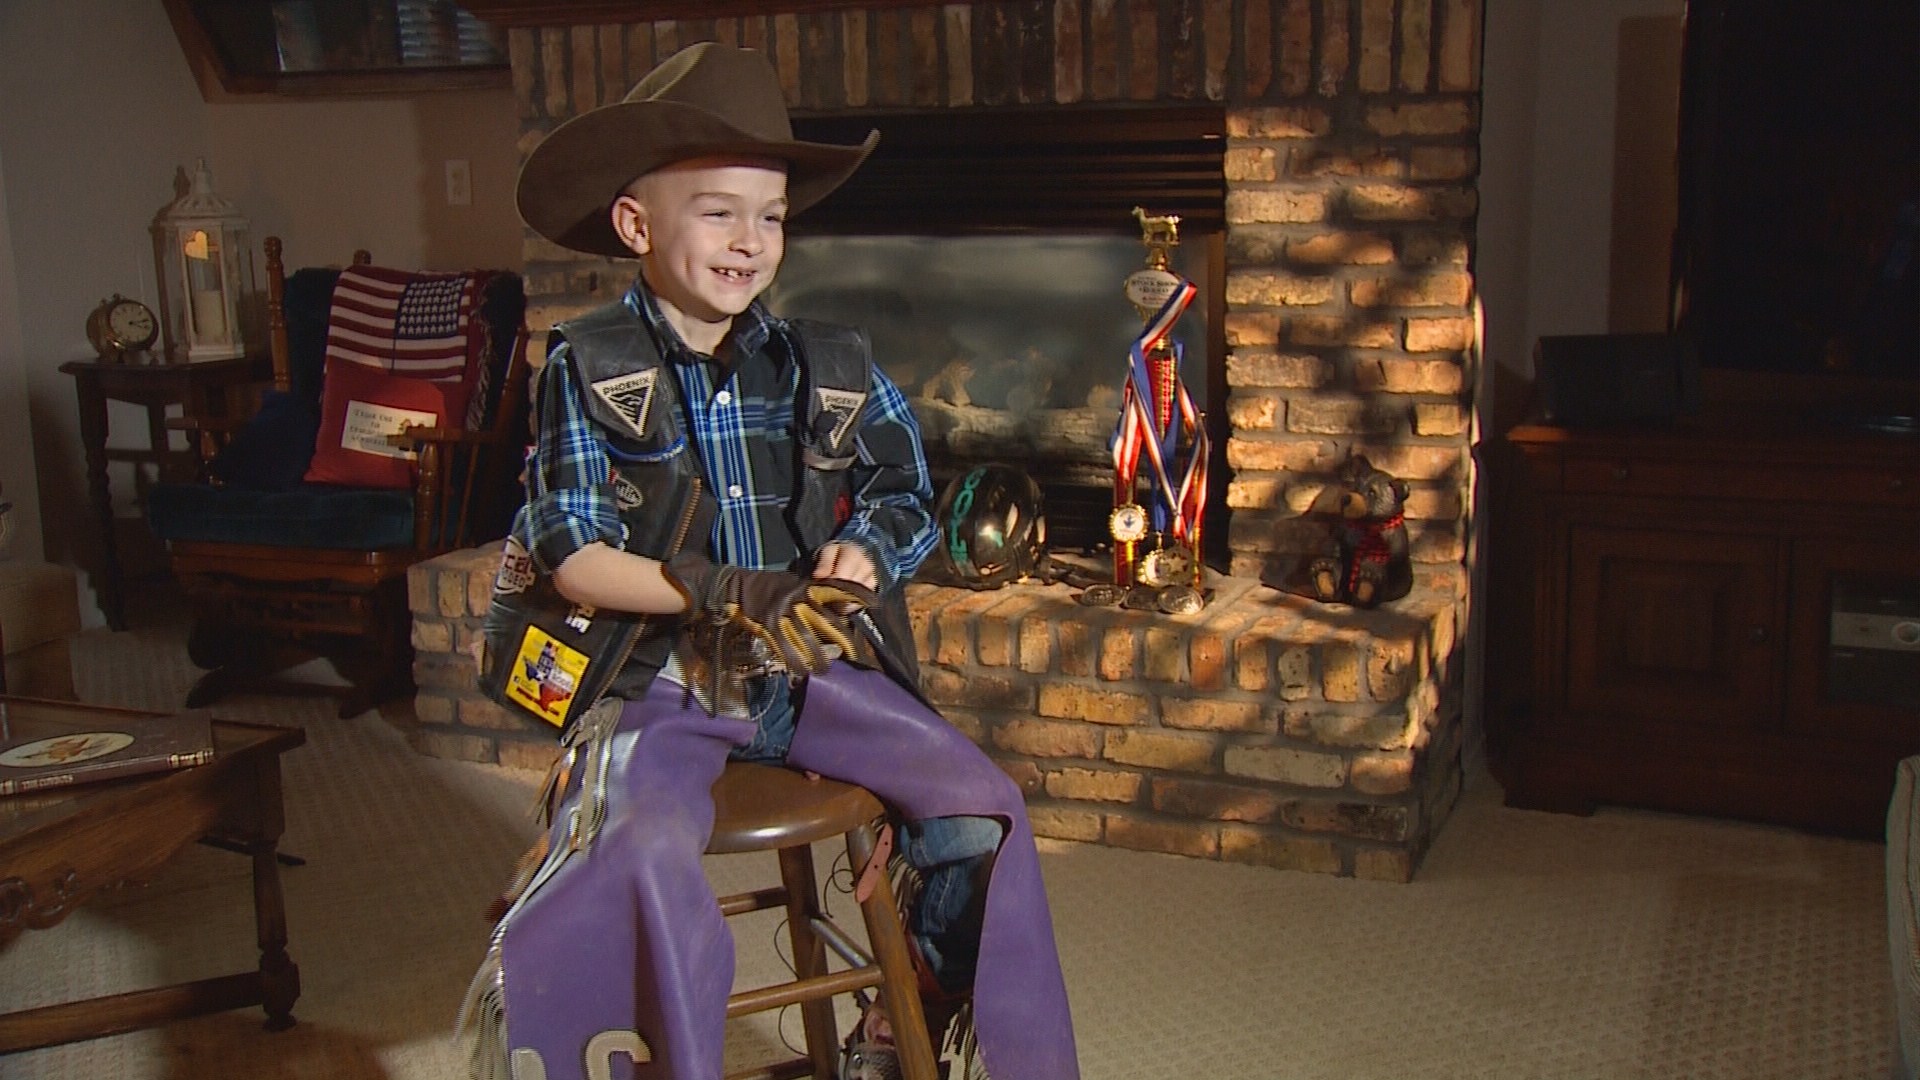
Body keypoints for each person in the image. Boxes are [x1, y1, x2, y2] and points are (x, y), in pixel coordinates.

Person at [459, 42, 1080, 1080]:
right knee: (641, 852)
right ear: (636, 224)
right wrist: (715, 587)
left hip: (808, 673)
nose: (751, 242)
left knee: (983, 809)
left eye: (773, 216)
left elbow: (903, 494)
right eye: (718, 211)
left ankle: (908, 1010)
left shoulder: (824, 365)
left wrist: (864, 552)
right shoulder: (585, 368)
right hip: (658, 684)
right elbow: (569, 553)